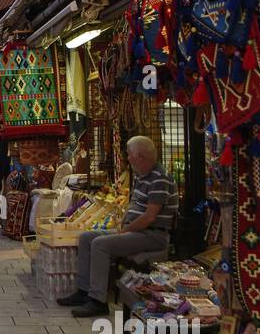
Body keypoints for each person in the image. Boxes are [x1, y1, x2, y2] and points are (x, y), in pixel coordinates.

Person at [58, 135, 176, 318]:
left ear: (140, 156)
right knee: (86, 237)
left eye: (130, 154)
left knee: (100, 244)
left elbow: (149, 217)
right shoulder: (142, 176)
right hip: (136, 231)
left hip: (151, 235)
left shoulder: (159, 179)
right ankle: (83, 291)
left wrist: (125, 231)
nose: (127, 158)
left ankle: (98, 300)